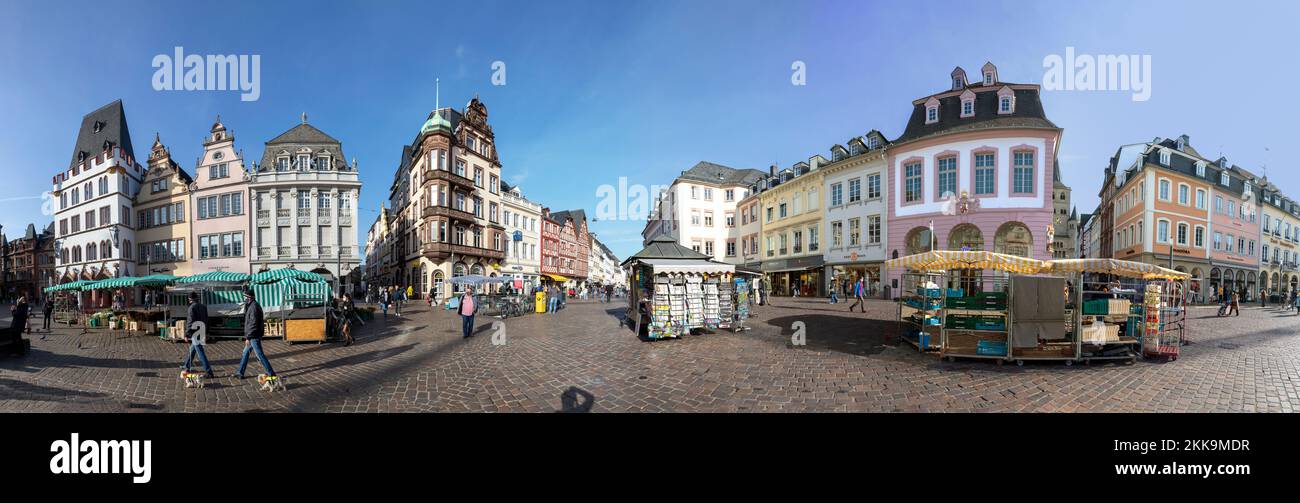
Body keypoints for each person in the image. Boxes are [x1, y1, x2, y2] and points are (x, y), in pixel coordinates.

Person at [236, 288, 275, 379]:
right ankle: (240, 373)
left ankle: (271, 373)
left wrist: (248, 337)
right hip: (253, 335)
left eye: (245, 297)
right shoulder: (252, 306)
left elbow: (253, 324)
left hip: (254, 336)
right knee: (245, 353)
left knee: (260, 355)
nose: (244, 299)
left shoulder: (253, 307)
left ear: (249, 297)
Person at [181, 292, 214, 378]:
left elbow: (190, 321)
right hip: (202, 331)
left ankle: (209, 371)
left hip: (195, 332)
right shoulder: (203, 307)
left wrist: (187, 334)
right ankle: (186, 366)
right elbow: (207, 320)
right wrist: (207, 332)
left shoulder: (191, 307)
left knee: (200, 352)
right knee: (193, 349)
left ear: (190, 299)